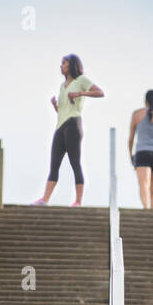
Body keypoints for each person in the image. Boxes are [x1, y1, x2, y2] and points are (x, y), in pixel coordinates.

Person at [33, 54, 104, 208]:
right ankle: (45, 199)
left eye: (63, 63)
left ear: (71, 65)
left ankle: (78, 201)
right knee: (54, 165)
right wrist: (54, 106)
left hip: (73, 124)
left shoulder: (81, 81)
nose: (61, 66)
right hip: (60, 126)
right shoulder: (62, 86)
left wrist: (80, 93)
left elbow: (100, 92)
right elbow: (63, 111)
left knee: (75, 163)